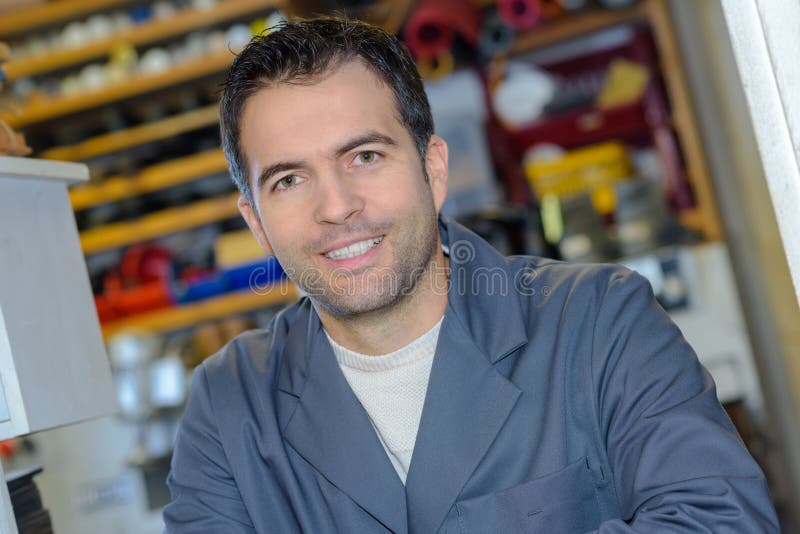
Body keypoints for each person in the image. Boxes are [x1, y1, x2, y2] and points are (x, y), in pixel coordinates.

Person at [163, 17, 779, 533]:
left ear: (433, 169)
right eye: (289, 180)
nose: (336, 207)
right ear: (256, 220)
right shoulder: (228, 406)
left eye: (365, 156)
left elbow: (719, 520)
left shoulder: (600, 322)